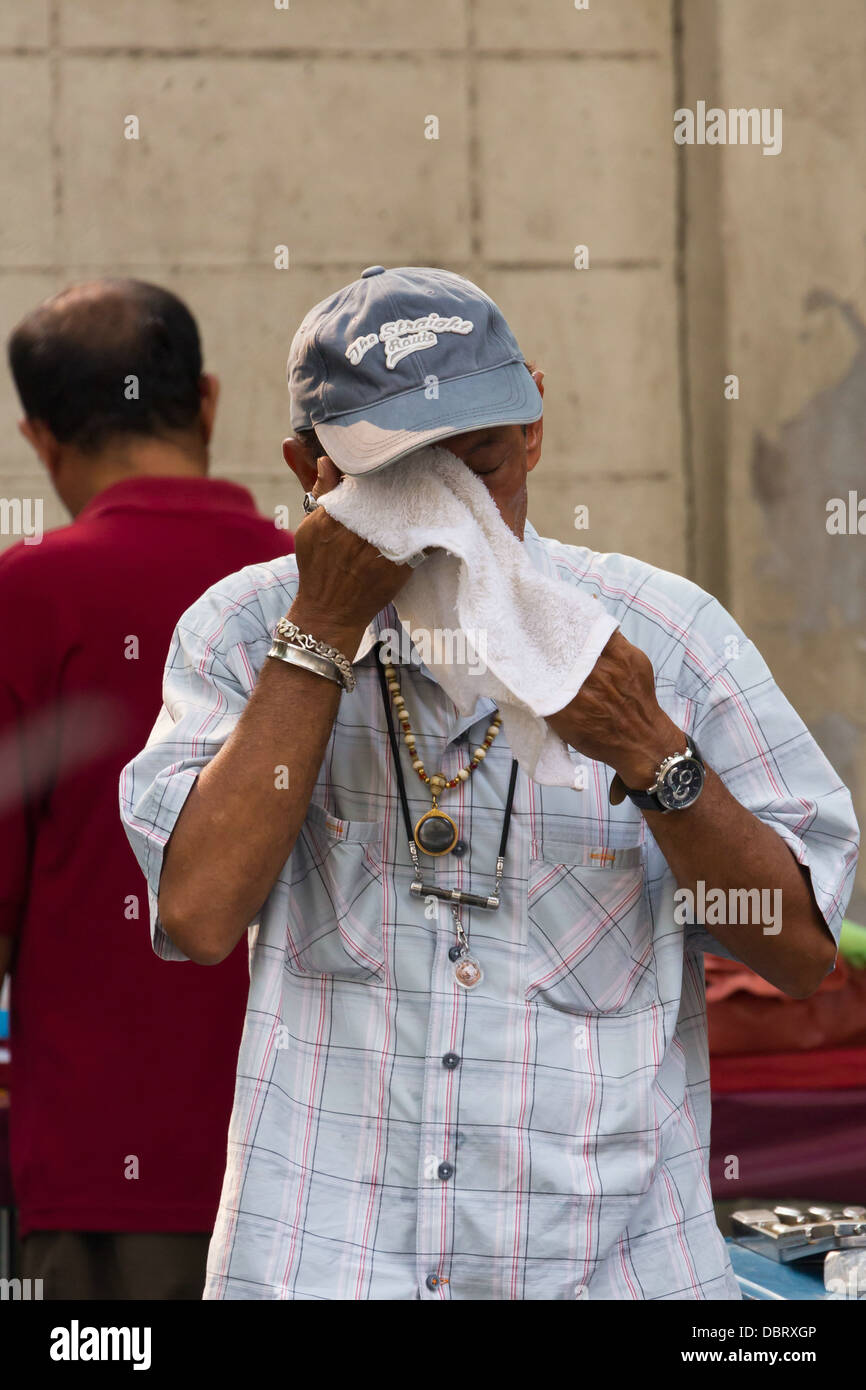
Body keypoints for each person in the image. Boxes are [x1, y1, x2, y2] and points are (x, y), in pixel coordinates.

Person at [120, 266, 858, 1300]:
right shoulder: (246, 631)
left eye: (484, 460)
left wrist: (653, 754)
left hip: (613, 1272)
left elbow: (793, 955)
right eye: (403, 476)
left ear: (536, 430)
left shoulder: (667, 637)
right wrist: (321, 632)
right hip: (321, 1267)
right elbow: (197, 912)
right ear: (309, 470)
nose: (454, 512)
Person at [0, 279, 292, 1298]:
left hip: (97, 1178)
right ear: (206, 400)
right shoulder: (313, 589)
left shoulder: (26, 594)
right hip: (309, 1174)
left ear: (40, 437)